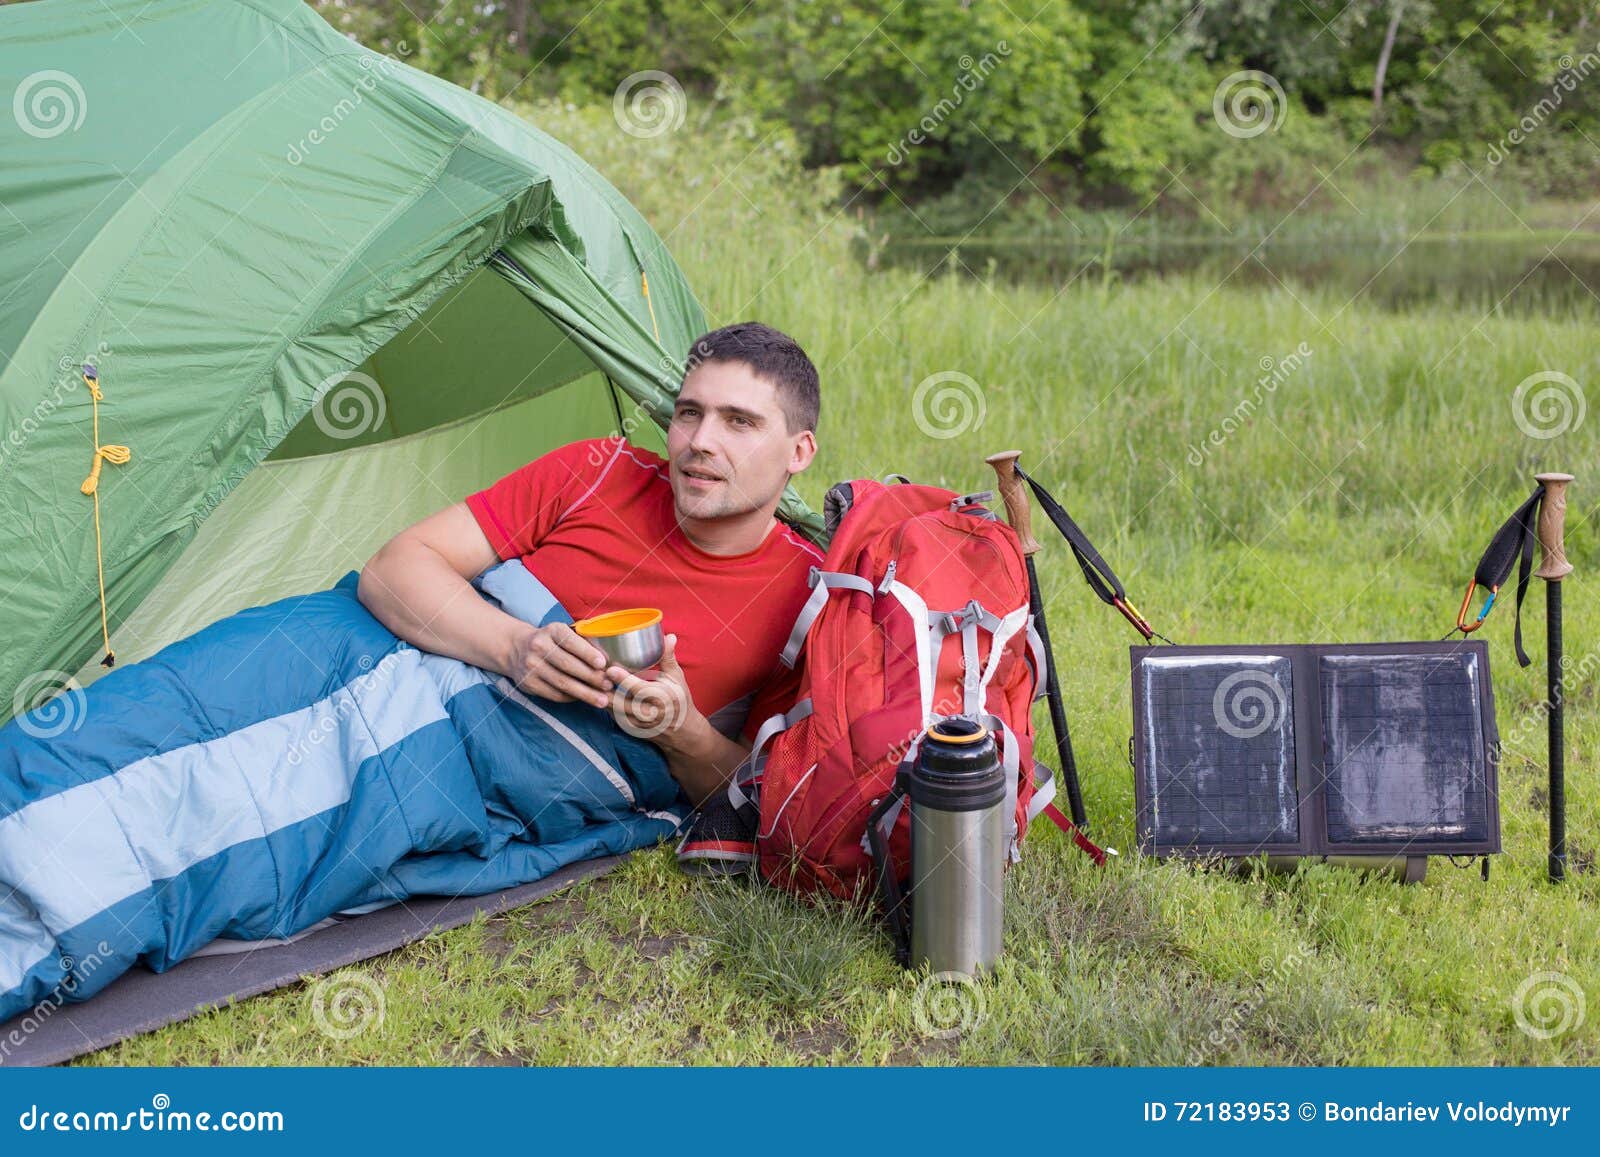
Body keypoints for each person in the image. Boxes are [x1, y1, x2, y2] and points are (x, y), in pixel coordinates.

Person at [358, 322, 822, 805]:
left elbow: (765, 802)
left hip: (476, 769)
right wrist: (513, 647)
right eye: (689, 412)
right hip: (400, 679)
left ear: (799, 451)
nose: (700, 440)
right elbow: (393, 568)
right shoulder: (596, 471)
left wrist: (683, 733)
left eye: (739, 422)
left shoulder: (811, 600)